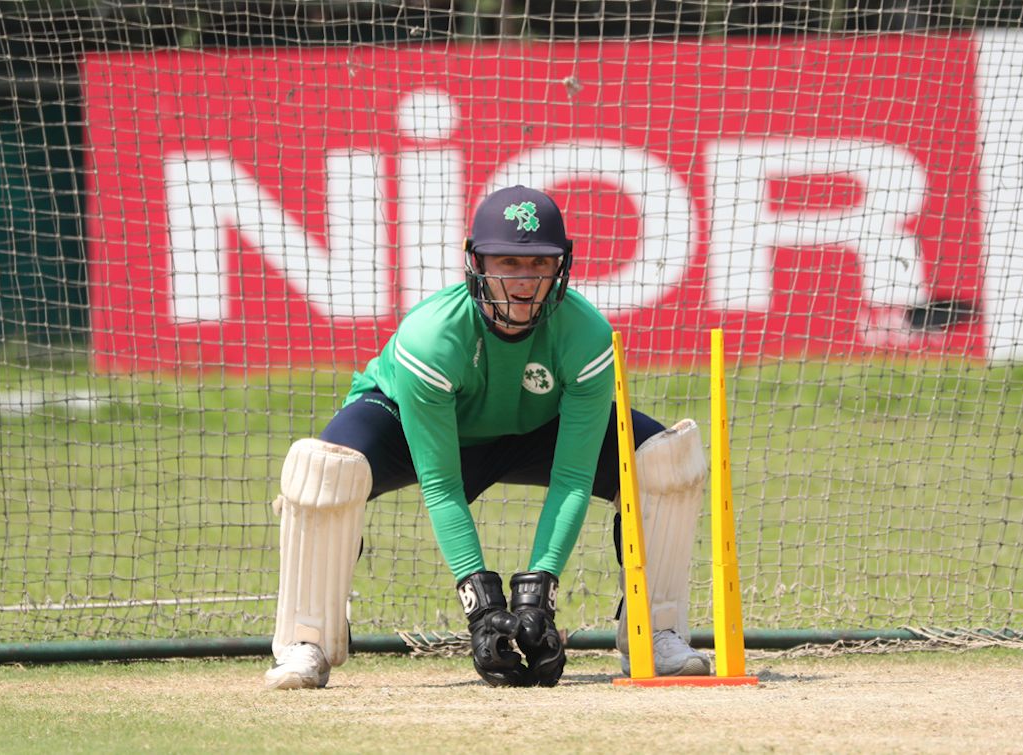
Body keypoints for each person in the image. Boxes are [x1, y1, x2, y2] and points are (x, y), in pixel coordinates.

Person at [264, 185, 711, 689]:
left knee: (666, 460)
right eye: (508, 263)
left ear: (560, 266)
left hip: (535, 426)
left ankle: (656, 633)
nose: (524, 282)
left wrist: (538, 592)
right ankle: (308, 641)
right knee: (325, 472)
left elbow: (571, 476)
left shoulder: (586, 337)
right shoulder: (432, 338)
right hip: (408, 422)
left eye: (540, 265)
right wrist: (482, 605)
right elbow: (440, 485)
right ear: (475, 263)